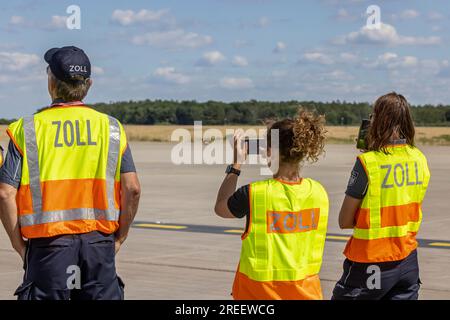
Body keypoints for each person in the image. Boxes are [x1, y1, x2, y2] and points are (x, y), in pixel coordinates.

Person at [0, 46, 141, 300]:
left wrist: (19, 247)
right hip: (99, 246)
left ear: (51, 83)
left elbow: (4, 194)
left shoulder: (26, 129)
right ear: (88, 84)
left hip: (48, 249)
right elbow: (132, 189)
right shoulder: (112, 128)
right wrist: (120, 237)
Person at [214, 108, 329, 300]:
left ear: (269, 151)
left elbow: (220, 208)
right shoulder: (318, 192)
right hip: (307, 294)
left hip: (259, 296)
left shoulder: (254, 193)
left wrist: (235, 165)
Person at [332, 92, 430, 300]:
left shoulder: (368, 163)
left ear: (378, 121)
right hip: (407, 261)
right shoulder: (419, 158)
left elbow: (344, 221)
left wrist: (370, 154)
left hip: (371, 261)